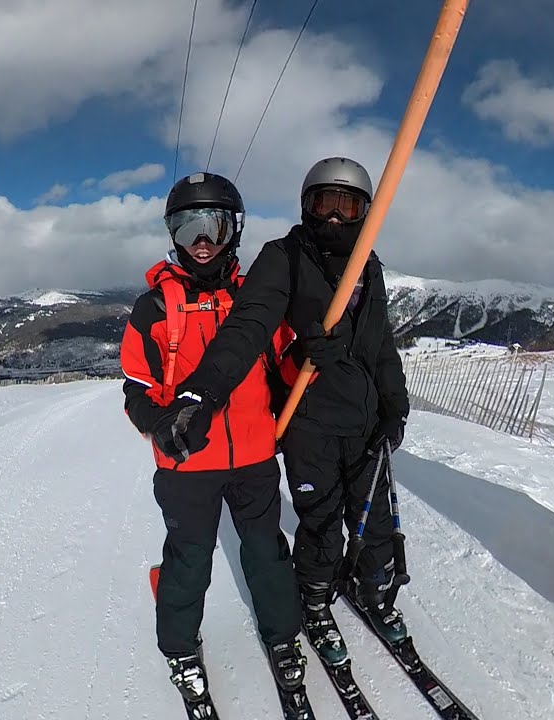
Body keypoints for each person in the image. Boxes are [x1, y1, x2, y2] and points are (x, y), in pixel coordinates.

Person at [149, 157, 411, 668]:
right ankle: (314, 598)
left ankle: (376, 589)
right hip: (308, 421)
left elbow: (381, 346)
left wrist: (394, 406)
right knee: (321, 519)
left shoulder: (367, 264)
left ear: (364, 212)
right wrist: (202, 394)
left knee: (374, 516)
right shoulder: (284, 257)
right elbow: (245, 330)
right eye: (323, 204)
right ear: (305, 207)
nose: (334, 219)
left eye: (347, 206)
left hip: (364, 421)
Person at [119, 171, 308, 705]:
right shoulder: (154, 309)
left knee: (267, 552)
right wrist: (161, 426)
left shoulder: (258, 304)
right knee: (189, 555)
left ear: (235, 231)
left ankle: (282, 637)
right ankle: (180, 645)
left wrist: (310, 351)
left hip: (253, 455)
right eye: (188, 227)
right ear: (172, 235)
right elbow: (136, 389)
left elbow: (283, 373)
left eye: (214, 226)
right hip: (186, 465)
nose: (202, 241)